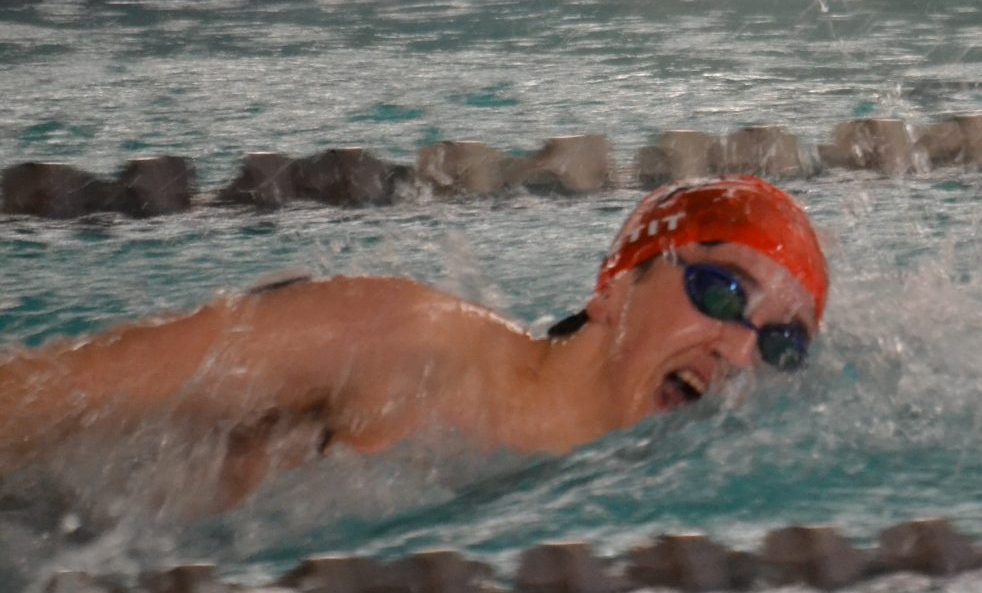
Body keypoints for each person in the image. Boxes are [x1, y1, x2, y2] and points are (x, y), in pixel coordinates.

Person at [0, 176, 828, 512]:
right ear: (614, 289)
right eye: (719, 293)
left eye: (783, 343)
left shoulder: (660, 507)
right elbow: (48, 396)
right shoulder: (395, 342)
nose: (738, 353)